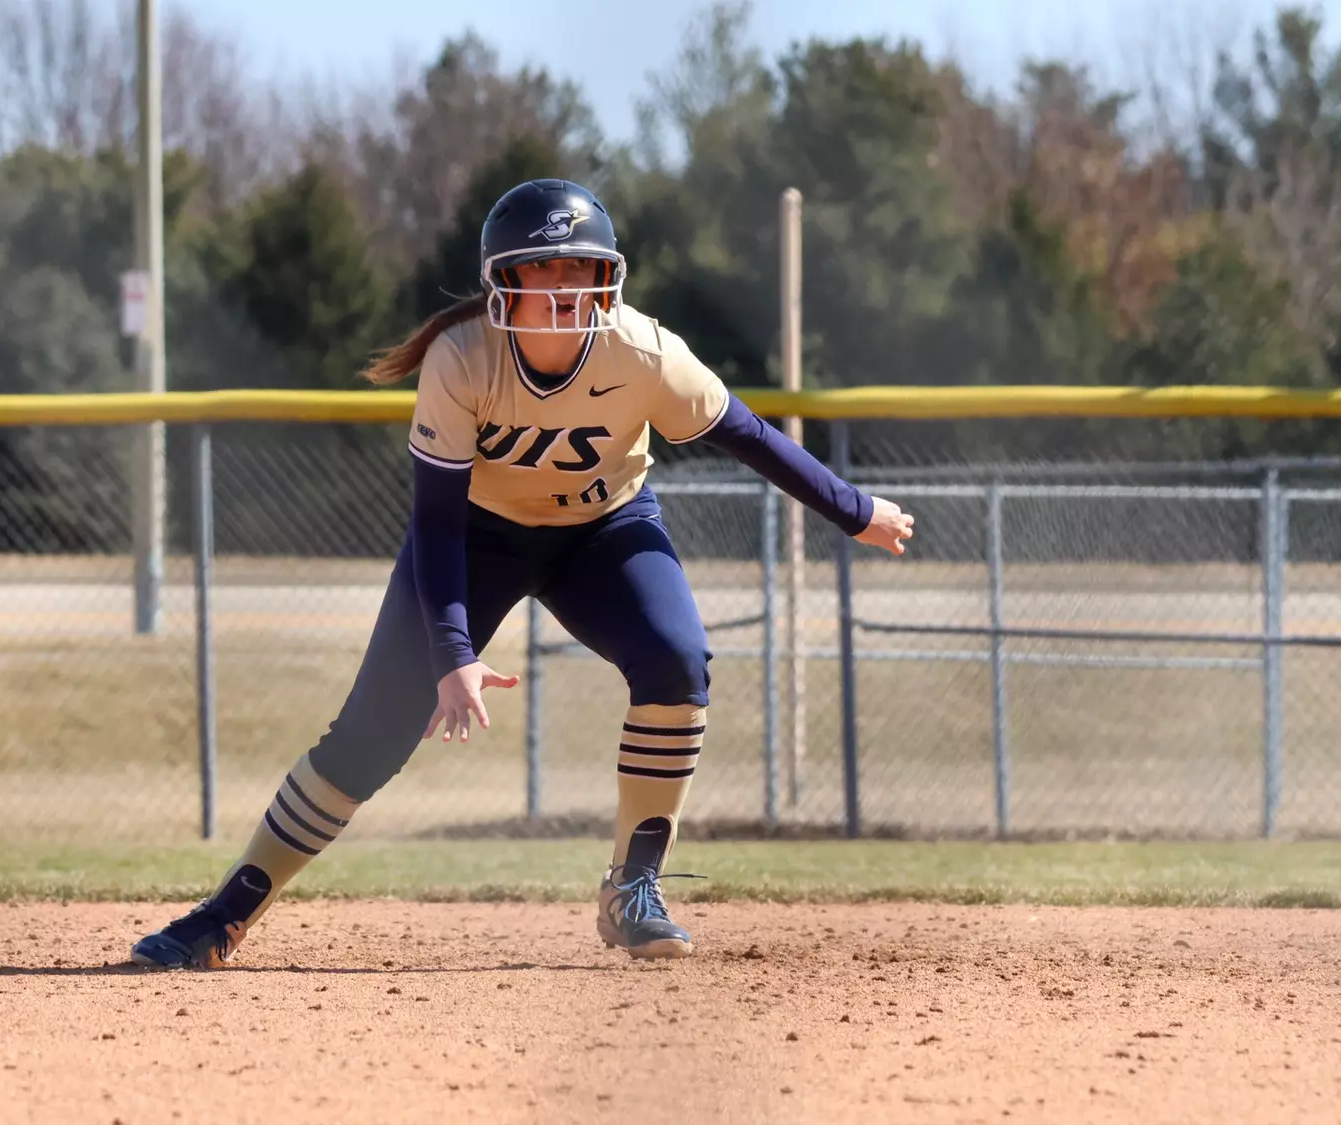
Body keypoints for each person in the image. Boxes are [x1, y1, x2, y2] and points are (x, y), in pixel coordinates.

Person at [131, 178, 915, 968]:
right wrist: (452, 653)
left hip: (604, 529)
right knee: (365, 742)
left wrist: (855, 510)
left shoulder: (641, 349)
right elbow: (436, 522)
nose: (565, 288)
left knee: (679, 661)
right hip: (477, 538)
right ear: (500, 282)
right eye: (542, 270)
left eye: (580, 269)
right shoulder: (462, 357)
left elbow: (747, 434)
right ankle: (223, 914)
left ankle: (633, 887)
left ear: (608, 275)